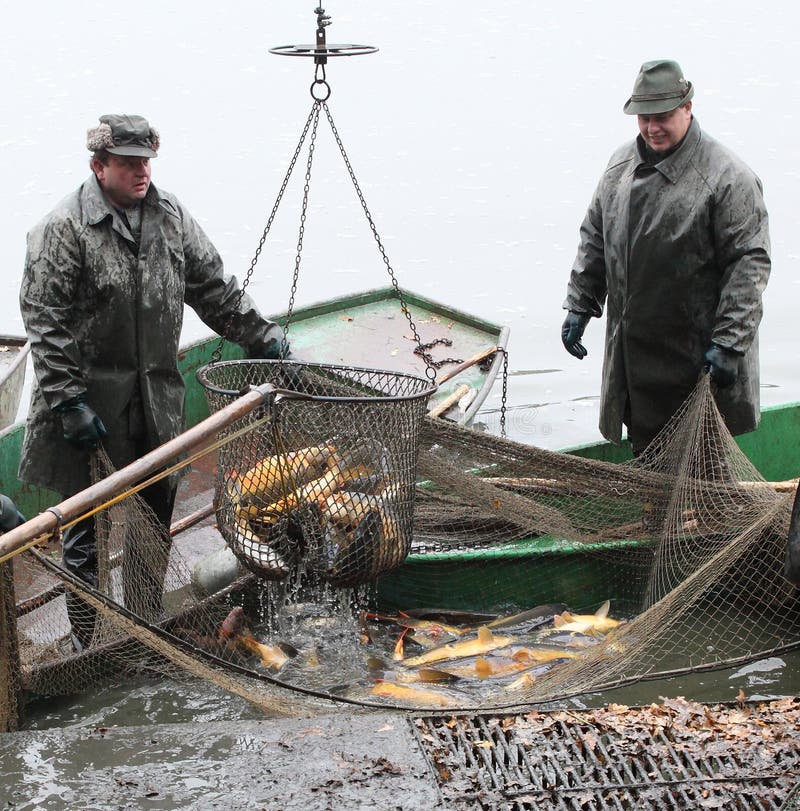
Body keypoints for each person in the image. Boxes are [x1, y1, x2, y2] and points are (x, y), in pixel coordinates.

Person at [19, 114, 286, 649]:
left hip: (156, 400)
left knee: (152, 517)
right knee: (85, 529)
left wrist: (263, 336)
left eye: (146, 161)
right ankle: (88, 641)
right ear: (99, 167)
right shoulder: (63, 228)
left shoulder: (169, 217)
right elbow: (44, 323)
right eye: (128, 163)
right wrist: (69, 401)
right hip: (88, 406)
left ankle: (141, 628)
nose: (141, 172)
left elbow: (214, 289)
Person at [561, 60, 771, 455]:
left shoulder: (728, 178)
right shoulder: (619, 166)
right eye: (644, 117)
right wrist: (581, 303)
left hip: (698, 358)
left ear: (687, 108)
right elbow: (594, 235)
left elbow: (750, 264)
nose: (652, 127)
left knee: (703, 466)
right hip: (635, 355)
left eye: (662, 117)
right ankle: (658, 516)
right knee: (648, 454)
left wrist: (729, 344)